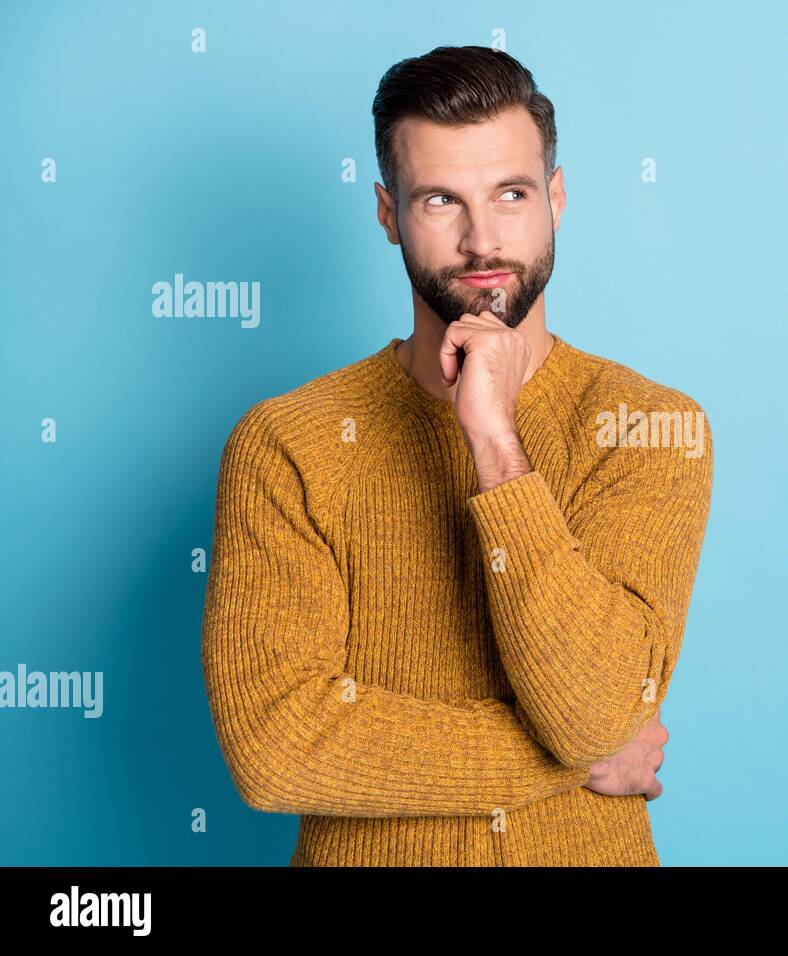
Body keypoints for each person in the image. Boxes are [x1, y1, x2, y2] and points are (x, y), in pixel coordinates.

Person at [199, 45, 713, 866]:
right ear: (387, 213)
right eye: (441, 200)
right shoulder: (288, 442)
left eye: (511, 194)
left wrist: (493, 440)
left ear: (556, 197)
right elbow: (276, 750)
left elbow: (596, 706)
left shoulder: (648, 425)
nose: (483, 241)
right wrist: (569, 761)